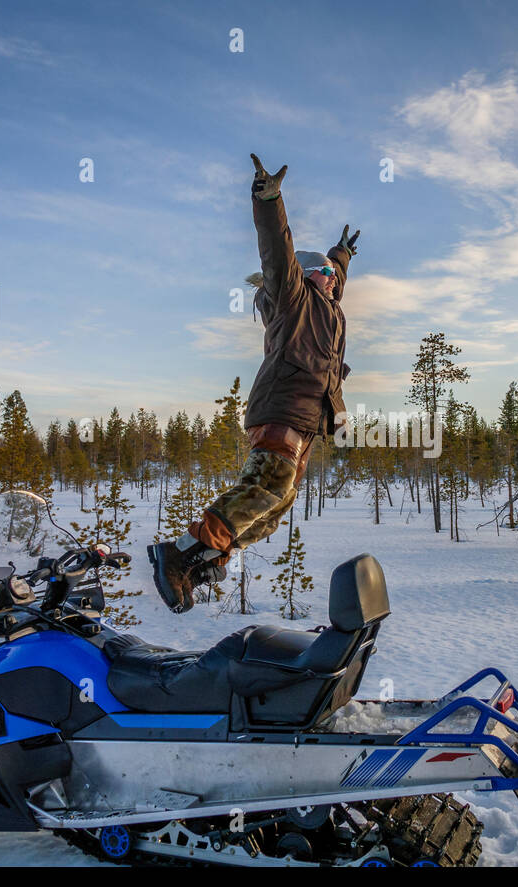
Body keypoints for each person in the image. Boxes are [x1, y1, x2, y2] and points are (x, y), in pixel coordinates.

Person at [148, 153, 359, 612]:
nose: (333, 280)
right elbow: (278, 250)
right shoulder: (292, 298)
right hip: (283, 409)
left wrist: (341, 256)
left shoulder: (328, 308)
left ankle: (206, 557)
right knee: (267, 489)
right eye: (324, 273)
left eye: (332, 276)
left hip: (306, 421)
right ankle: (178, 553)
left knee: (274, 508)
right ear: (305, 276)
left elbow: (332, 272)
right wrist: (269, 199)